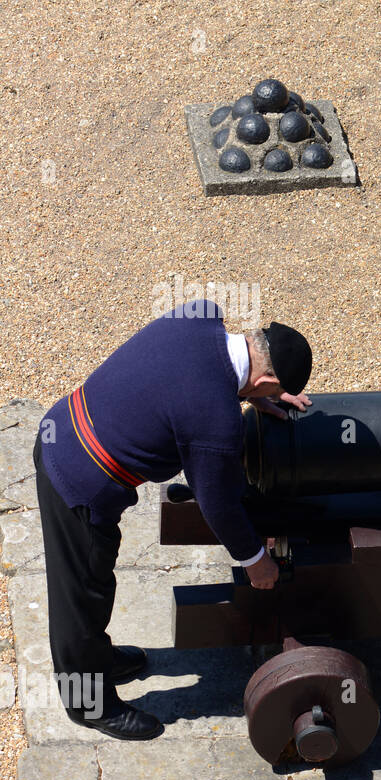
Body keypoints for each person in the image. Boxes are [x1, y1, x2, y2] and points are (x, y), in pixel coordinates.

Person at [32, 299, 313, 741]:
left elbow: (194, 380)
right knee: (82, 593)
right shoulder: (217, 422)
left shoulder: (200, 315)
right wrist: (255, 559)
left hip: (63, 423)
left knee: (95, 585)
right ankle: (88, 704)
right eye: (269, 392)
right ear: (267, 379)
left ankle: (97, 659)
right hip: (79, 481)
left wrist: (254, 397)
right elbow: (217, 503)